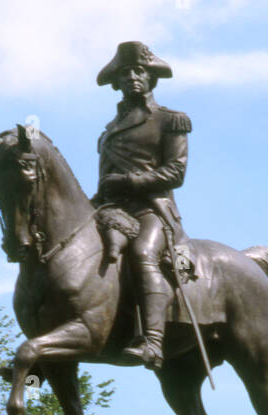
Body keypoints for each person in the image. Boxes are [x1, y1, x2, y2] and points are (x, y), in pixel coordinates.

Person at [94, 41, 192, 369]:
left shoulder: (170, 120)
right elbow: (103, 184)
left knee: (142, 254)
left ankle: (152, 341)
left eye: (140, 71)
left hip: (152, 209)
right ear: (116, 83)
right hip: (111, 210)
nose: (134, 77)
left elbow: (175, 172)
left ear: (152, 79)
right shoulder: (108, 132)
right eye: (126, 72)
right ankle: (37, 371)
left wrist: (130, 182)